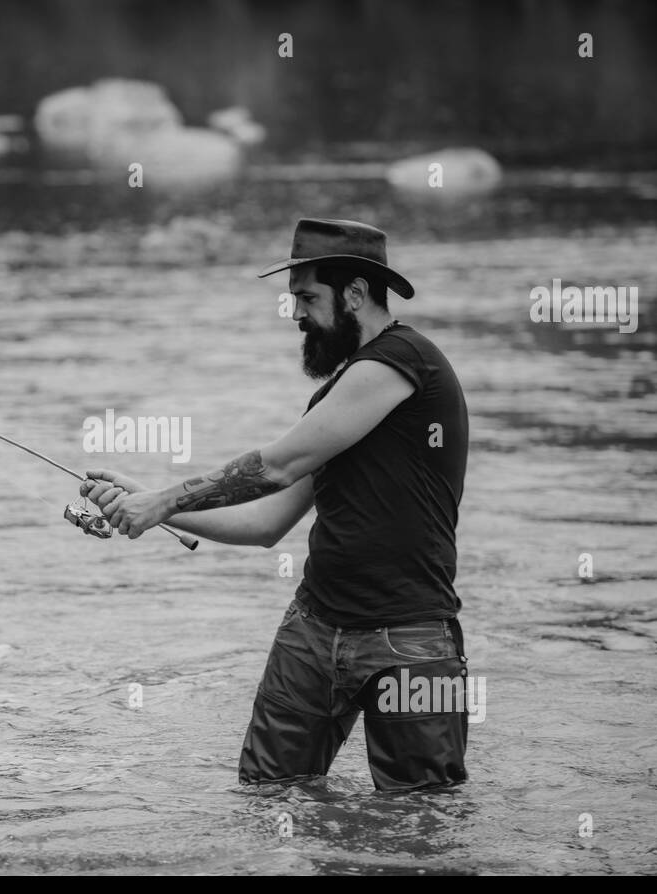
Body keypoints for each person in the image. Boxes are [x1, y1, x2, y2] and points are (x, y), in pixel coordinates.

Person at [81, 218, 471, 791]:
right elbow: (267, 522)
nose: (294, 314)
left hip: (413, 640)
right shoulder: (339, 396)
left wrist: (161, 501)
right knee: (267, 801)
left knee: (419, 823)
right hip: (313, 631)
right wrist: (150, 504)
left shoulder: (399, 363)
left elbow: (275, 466)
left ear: (355, 294)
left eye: (307, 297)